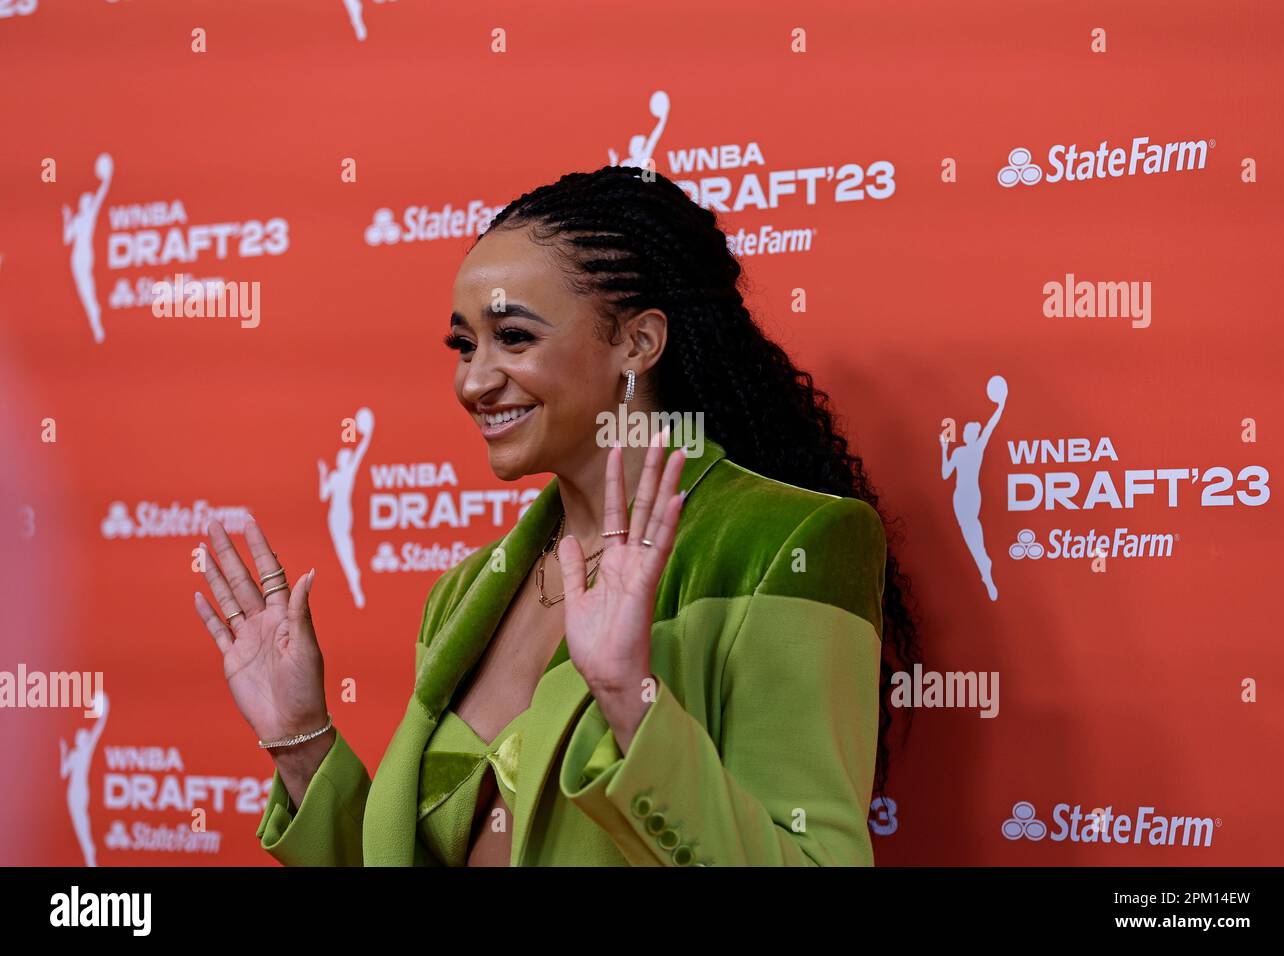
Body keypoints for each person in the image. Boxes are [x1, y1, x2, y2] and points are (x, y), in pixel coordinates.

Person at [192, 165, 920, 866]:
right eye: (463, 344)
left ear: (638, 343)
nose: (475, 381)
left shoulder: (789, 541)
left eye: (514, 338)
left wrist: (630, 706)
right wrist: (300, 741)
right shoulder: (463, 593)